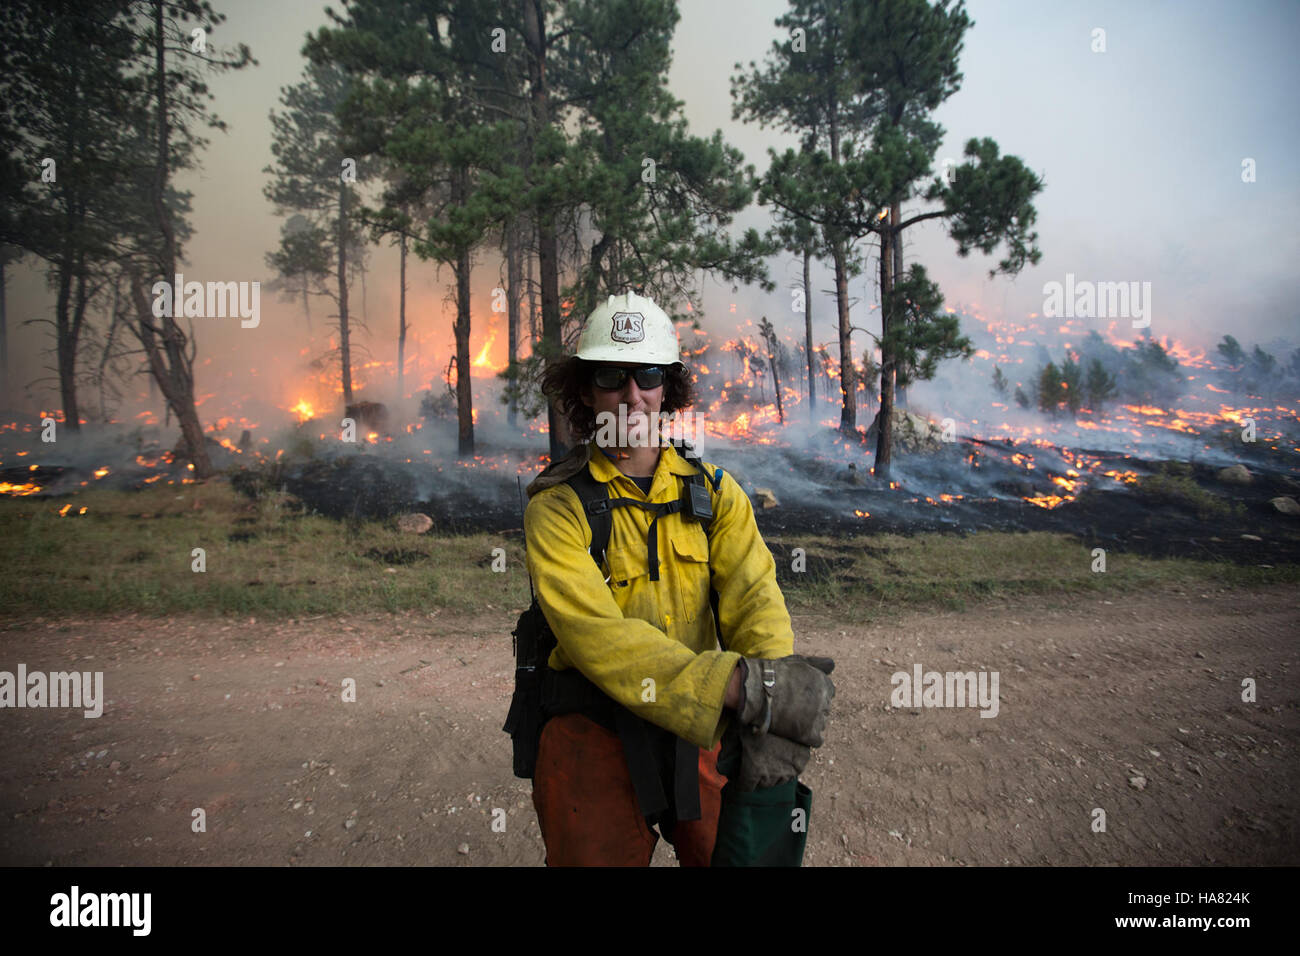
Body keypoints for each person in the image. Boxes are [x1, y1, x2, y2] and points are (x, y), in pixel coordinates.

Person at [522, 291, 834, 866]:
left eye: (647, 374)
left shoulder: (715, 493)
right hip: (594, 727)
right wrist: (733, 685)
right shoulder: (557, 507)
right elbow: (597, 638)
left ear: (667, 388)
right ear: (587, 391)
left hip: (701, 728)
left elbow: (756, 602)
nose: (631, 394)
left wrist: (767, 695)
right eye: (612, 375)